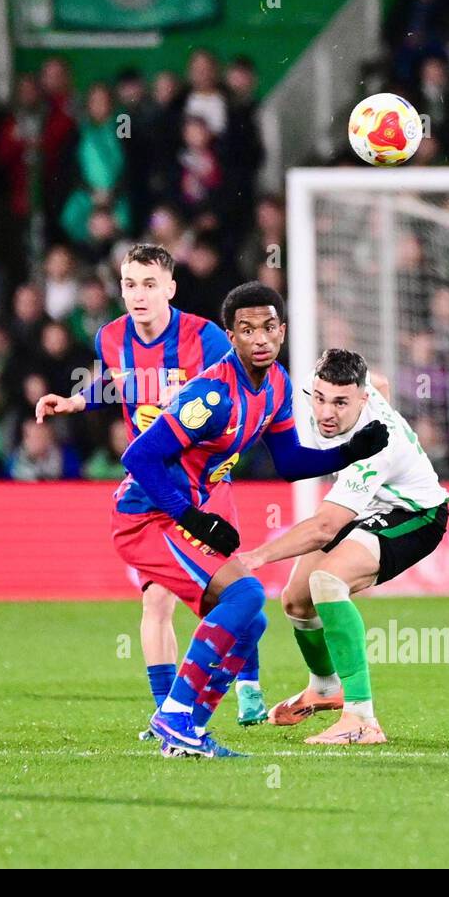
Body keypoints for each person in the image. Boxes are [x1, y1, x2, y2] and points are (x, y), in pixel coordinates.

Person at [117, 282, 388, 756]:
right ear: (232, 336)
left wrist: (346, 453)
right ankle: (176, 716)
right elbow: (139, 456)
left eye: (267, 328)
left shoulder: (279, 383)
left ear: (282, 332)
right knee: (243, 596)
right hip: (145, 516)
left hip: (177, 515)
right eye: (247, 330)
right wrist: (192, 518)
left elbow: (287, 463)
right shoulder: (213, 395)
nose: (259, 338)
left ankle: (185, 732)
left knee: (250, 620)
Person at [34, 244, 268, 731]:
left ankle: (247, 685)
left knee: (238, 592)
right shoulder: (111, 337)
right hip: (156, 486)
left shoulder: (204, 338)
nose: (137, 295)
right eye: (128, 284)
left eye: (148, 284)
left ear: (170, 289)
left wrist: (187, 407)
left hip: (205, 484)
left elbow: (233, 393)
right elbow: (113, 382)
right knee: (157, 599)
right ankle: (168, 710)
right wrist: (76, 403)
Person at [238, 349, 449, 745]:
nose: (326, 413)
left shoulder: (376, 445)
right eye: (320, 398)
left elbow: (322, 528)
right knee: (296, 601)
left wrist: (256, 557)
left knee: (327, 582)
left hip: (414, 514)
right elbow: (381, 382)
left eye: (340, 403)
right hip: (365, 505)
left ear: (362, 399)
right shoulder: (349, 391)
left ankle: (362, 719)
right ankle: (323, 686)